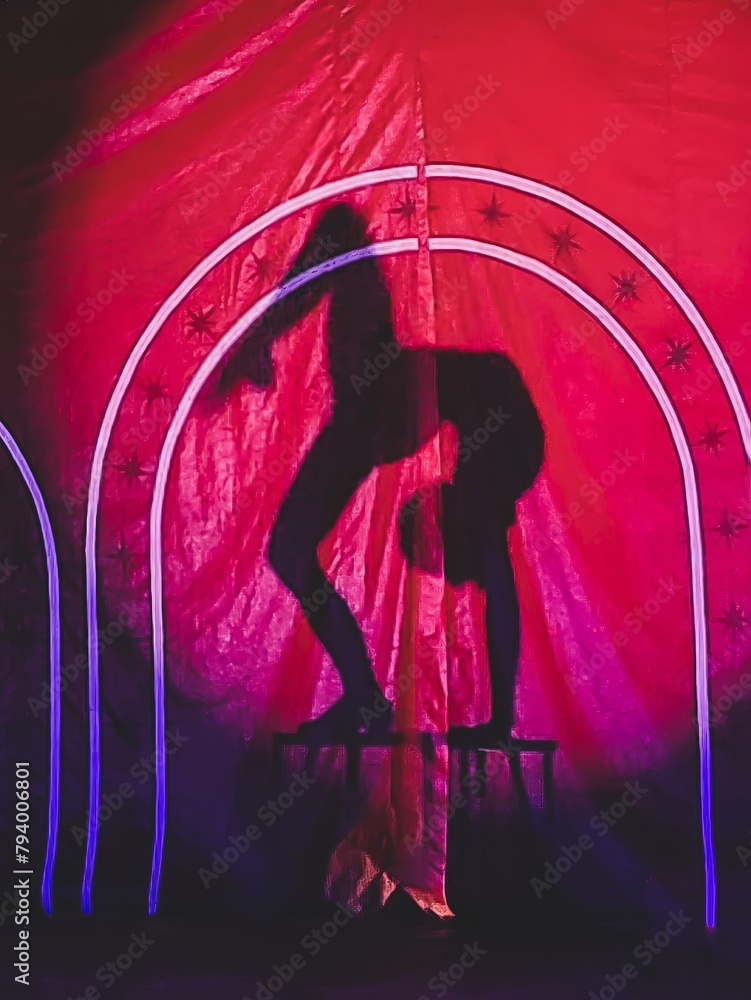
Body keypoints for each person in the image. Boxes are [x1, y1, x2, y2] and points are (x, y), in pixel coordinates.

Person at [220, 202, 544, 743]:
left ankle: (369, 697)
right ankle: (369, 698)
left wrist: (263, 335)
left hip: (396, 399)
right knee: (291, 549)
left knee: (290, 548)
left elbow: (493, 566)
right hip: (407, 394)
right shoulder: (469, 408)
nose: (429, 498)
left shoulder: (464, 427)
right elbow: (493, 565)